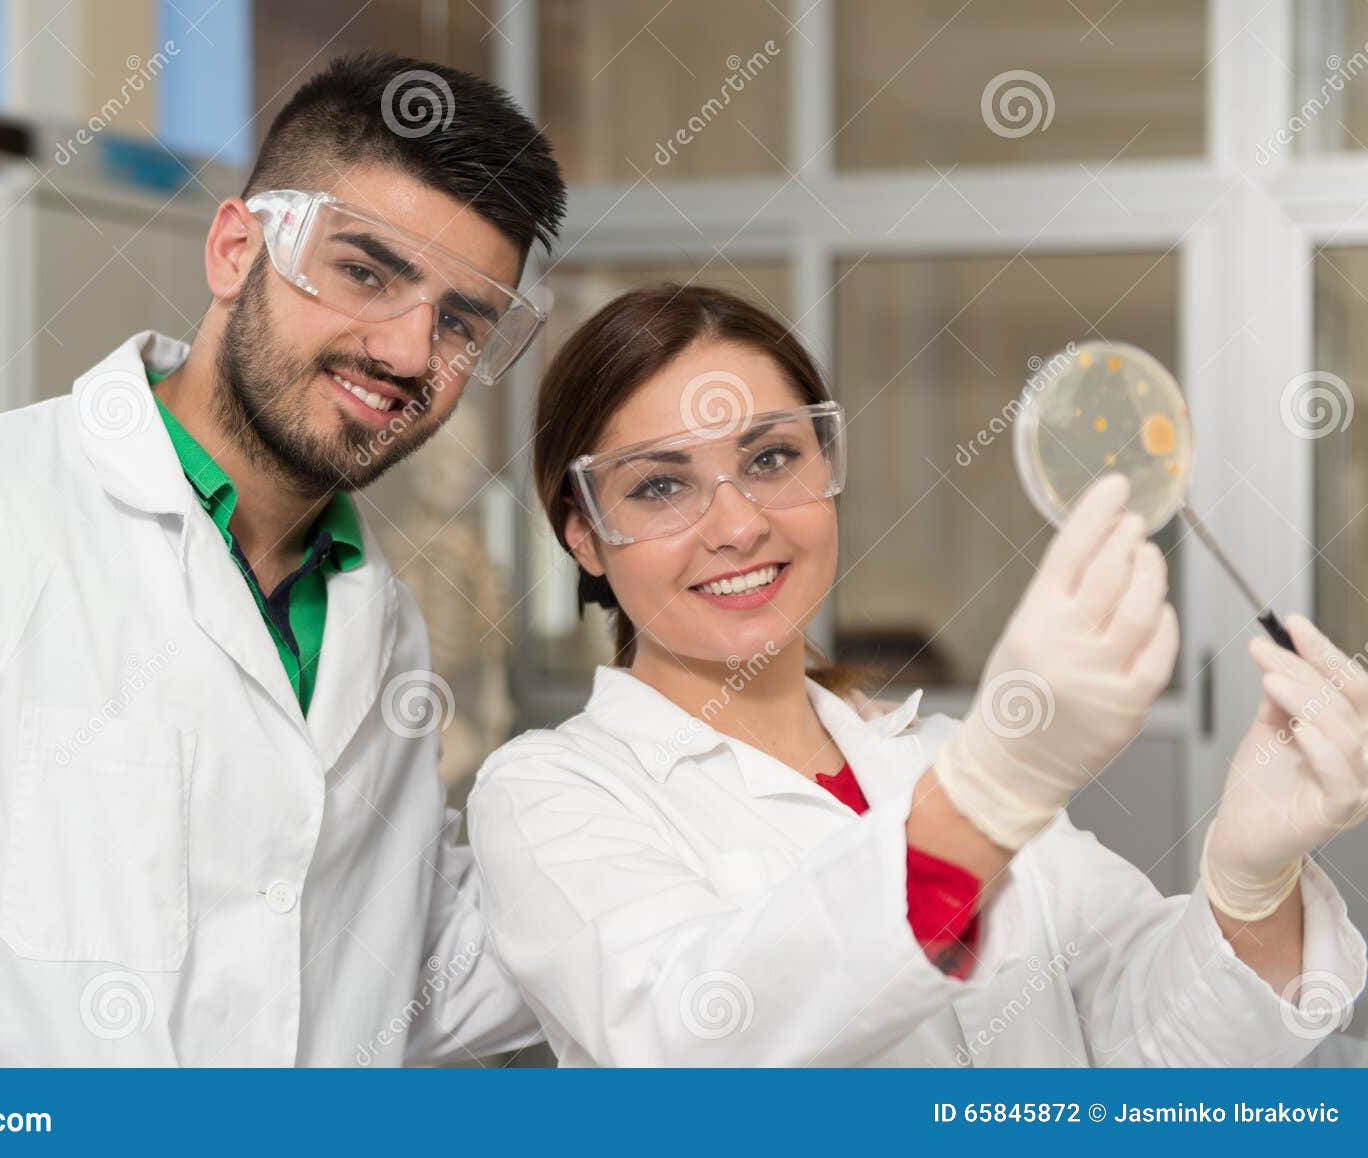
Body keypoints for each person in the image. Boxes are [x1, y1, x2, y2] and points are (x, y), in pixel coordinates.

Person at [0, 52, 565, 1065]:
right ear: (235, 249)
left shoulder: (379, 618)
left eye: (461, 322)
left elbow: (387, 972)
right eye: (365, 271)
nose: (410, 352)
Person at [465, 284, 1368, 1066]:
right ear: (582, 534)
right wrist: (982, 799)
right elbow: (697, 1041)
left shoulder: (933, 756)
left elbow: (1153, 1053)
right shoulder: (551, 792)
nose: (737, 525)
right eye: (660, 486)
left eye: (771, 458)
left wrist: (1254, 883)